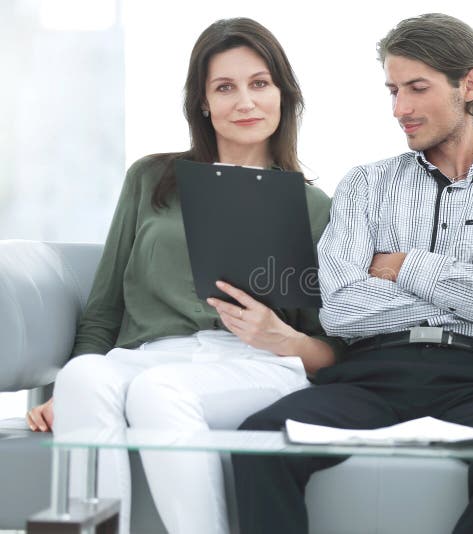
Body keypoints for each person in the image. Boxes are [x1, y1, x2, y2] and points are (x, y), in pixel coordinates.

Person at [232, 13, 473, 534]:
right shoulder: (365, 185)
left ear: (470, 85)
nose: (400, 109)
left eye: (417, 88)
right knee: (259, 443)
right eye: (393, 90)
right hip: (370, 374)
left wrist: (401, 266)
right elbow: (342, 307)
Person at [25, 17, 341, 534]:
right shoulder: (152, 179)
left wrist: (279, 335)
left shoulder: (311, 206)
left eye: (259, 84)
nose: (245, 101)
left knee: (159, 392)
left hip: (254, 364)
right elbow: (105, 305)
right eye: (225, 87)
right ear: (203, 102)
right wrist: (69, 388)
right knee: (83, 376)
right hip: (151, 356)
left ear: (283, 95)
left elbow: (332, 347)